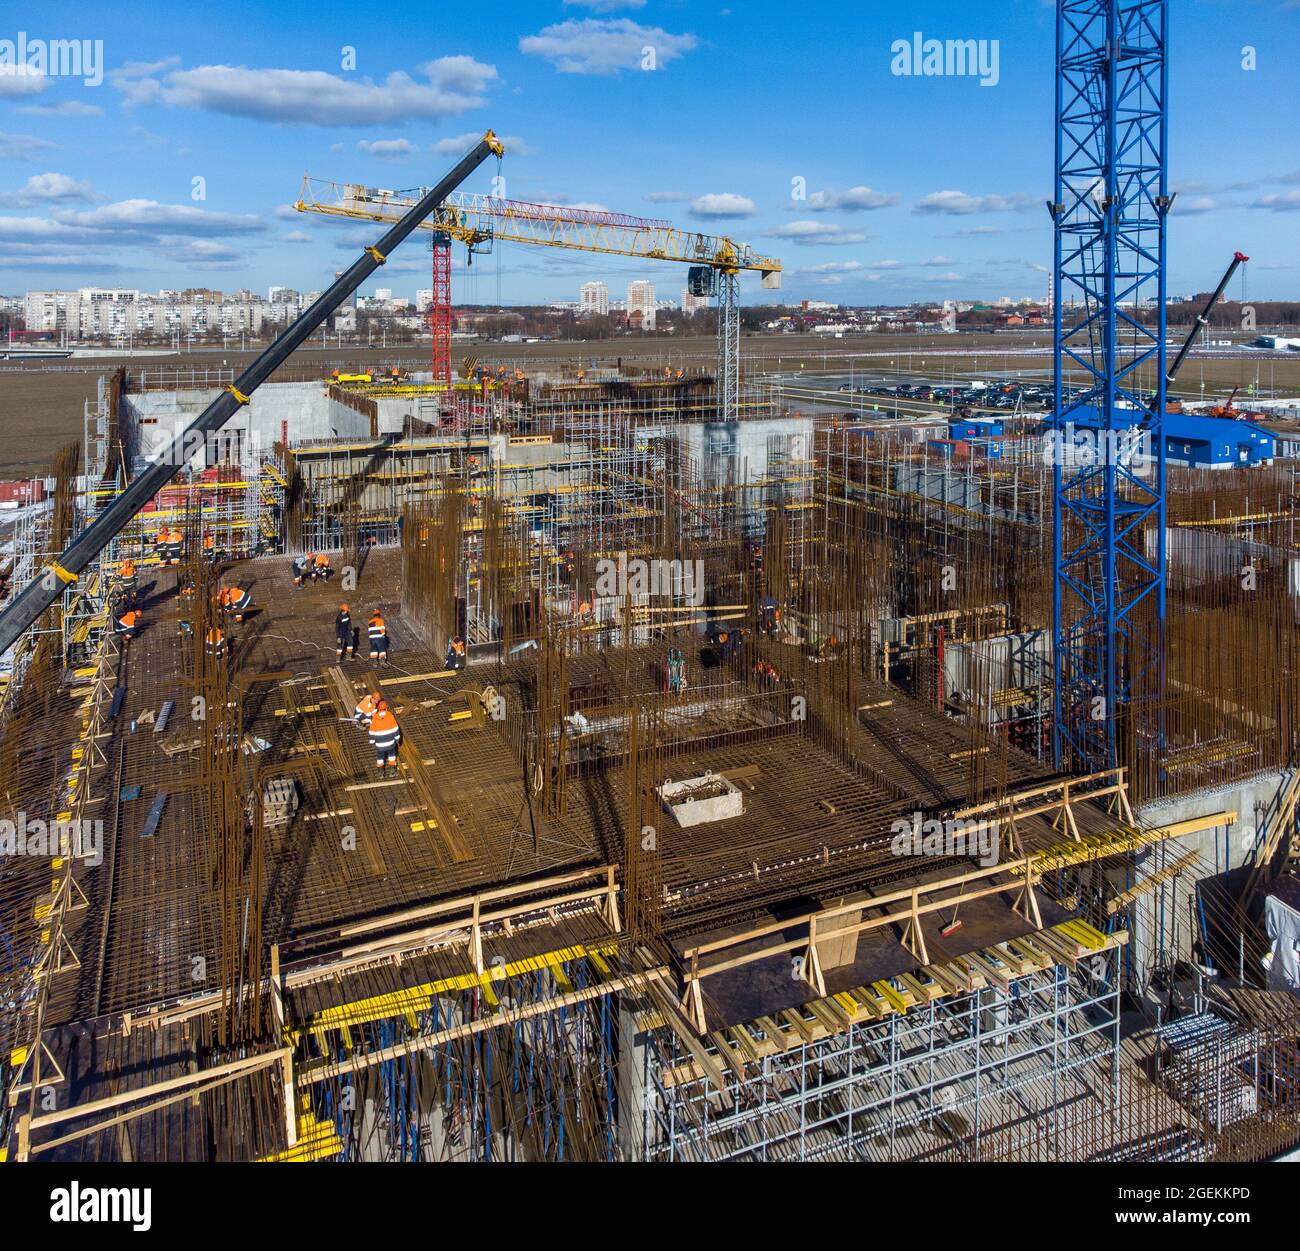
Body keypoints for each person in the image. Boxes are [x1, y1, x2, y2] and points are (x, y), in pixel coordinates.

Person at [367, 698, 401, 773]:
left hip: (380, 745)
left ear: (378, 708)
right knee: (392, 756)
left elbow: (371, 732)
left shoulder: (375, 718)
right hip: (390, 744)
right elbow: (395, 729)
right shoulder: (390, 716)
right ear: (386, 708)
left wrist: (372, 742)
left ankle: (380, 773)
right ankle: (392, 771)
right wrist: (397, 739)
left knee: (380, 757)